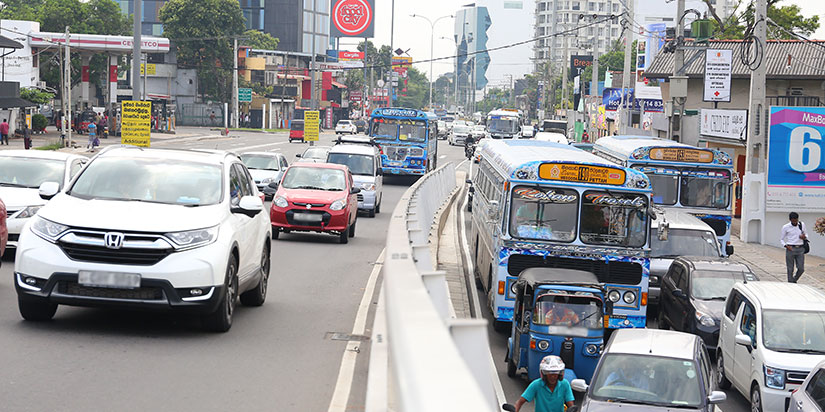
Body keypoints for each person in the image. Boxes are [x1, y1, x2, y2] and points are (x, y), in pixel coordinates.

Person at [781, 211, 807, 283]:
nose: (795, 222)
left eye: (796, 220)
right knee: (790, 268)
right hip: (791, 248)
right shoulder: (786, 227)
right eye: (793, 221)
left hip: (800, 248)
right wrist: (786, 246)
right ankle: (790, 282)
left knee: (801, 268)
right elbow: (782, 239)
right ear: (790, 220)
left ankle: (794, 280)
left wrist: (804, 237)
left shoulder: (802, 225)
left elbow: (806, 234)